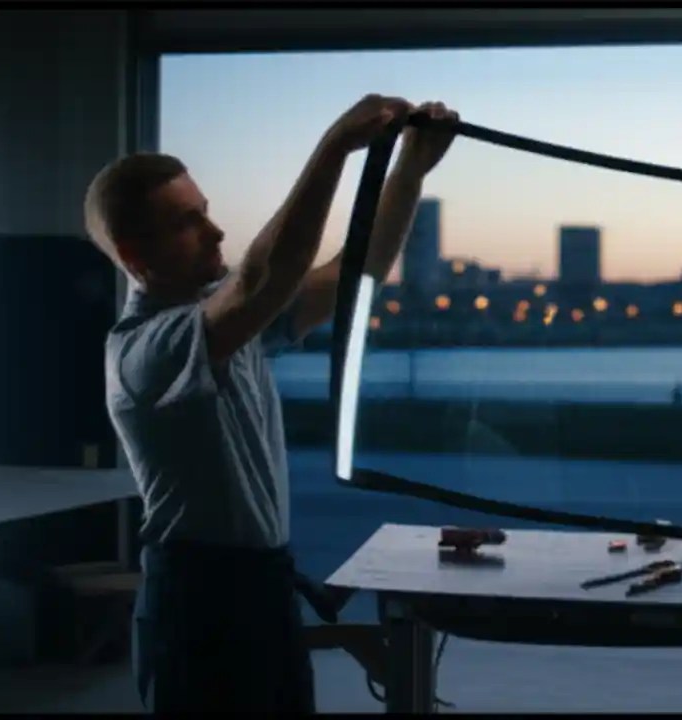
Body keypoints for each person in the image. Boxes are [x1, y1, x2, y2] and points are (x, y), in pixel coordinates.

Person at [83, 93, 459, 712]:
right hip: (196, 607)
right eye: (187, 222)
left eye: (204, 211)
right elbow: (263, 277)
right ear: (134, 257)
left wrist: (409, 171)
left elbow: (354, 275)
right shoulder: (147, 351)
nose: (216, 230)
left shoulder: (231, 325)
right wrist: (336, 144)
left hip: (260, 588)